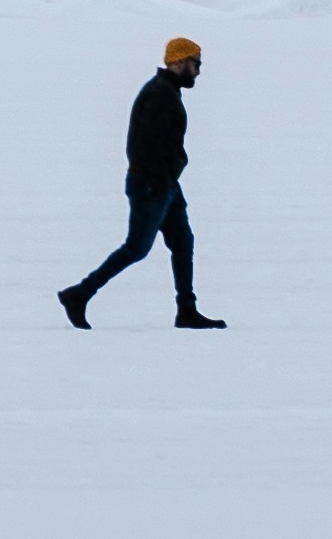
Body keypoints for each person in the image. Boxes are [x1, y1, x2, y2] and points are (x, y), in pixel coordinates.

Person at [59, 34, 223, 328]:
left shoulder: (167, 91)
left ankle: (186, 310)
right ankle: (79, 294)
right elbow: (143, 147)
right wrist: (159, 183)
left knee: (184, 242)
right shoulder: (159, 95)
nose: (199, 70)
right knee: (136, 248)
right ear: (179, 63)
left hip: (165, 185)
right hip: (151, 185)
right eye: (196, 64)